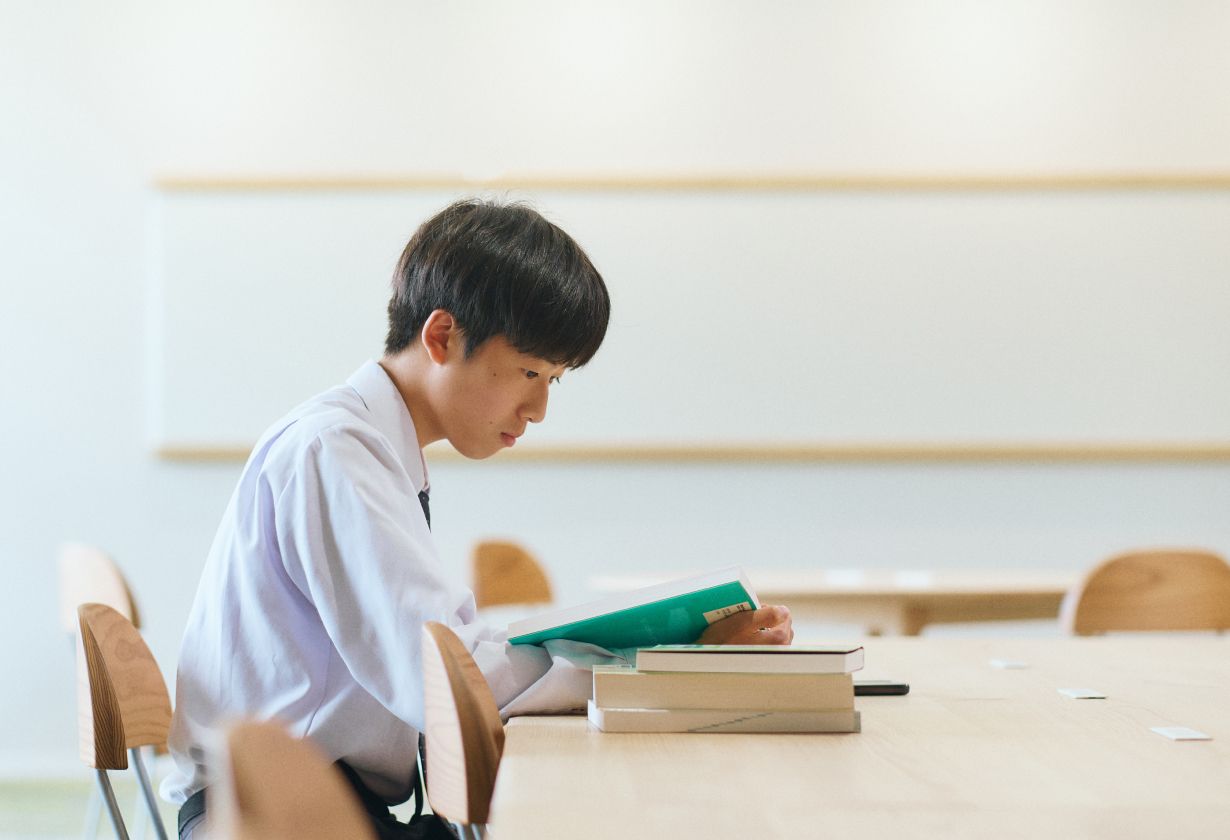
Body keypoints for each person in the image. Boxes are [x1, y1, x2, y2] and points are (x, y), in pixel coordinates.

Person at [161, 198, 793, 838]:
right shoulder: (336, 450)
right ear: (441, 337)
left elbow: (442, 648)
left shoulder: (369, 444)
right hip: (277, 818)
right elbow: (443, 679)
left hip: (319, 803)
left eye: (554, 379)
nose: (539, 407)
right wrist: (659, 655)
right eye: (528, 371)